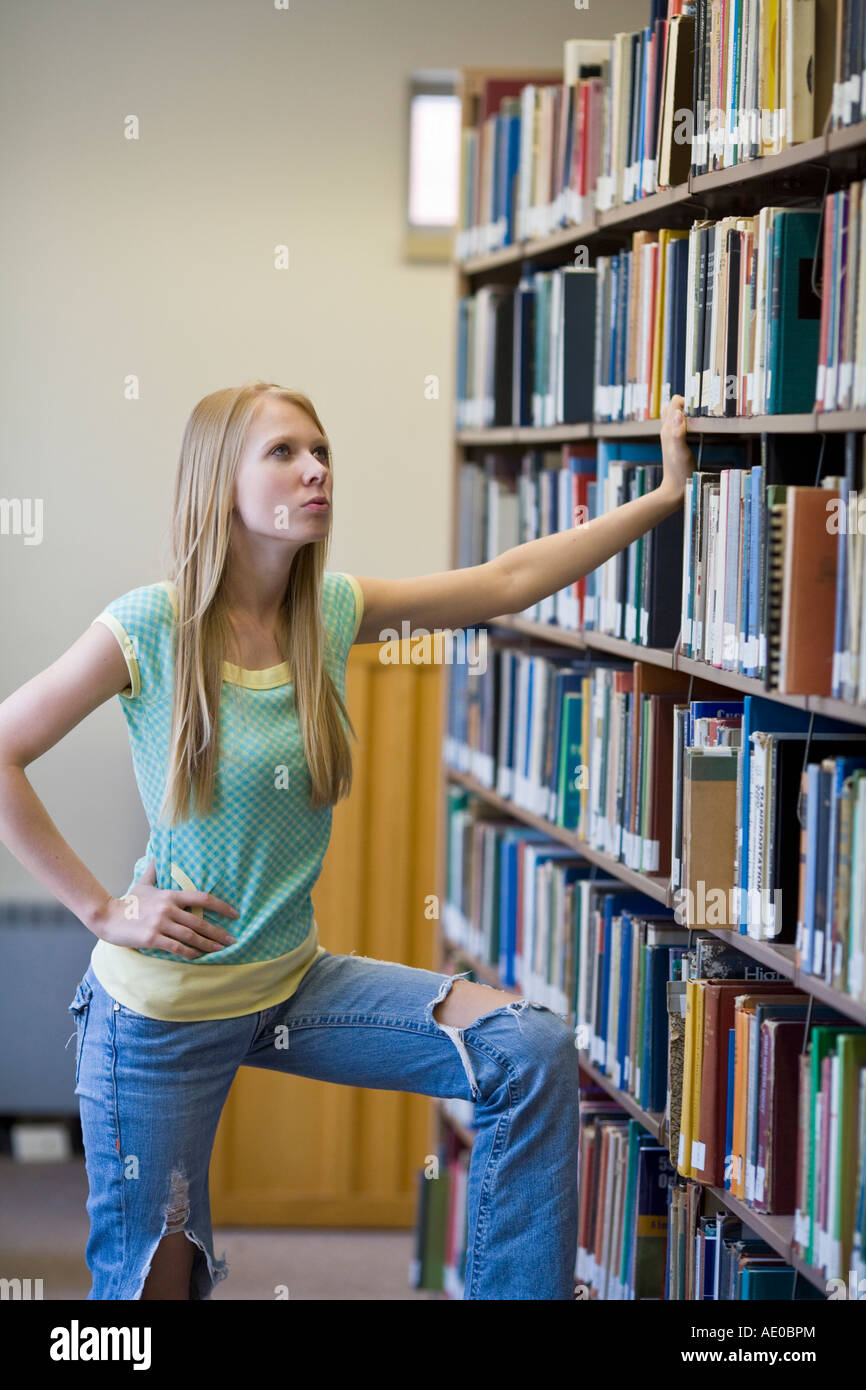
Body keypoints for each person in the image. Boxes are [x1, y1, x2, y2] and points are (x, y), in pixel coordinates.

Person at [0, 380, 695, 1300]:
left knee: (527, 1048)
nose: (316, 468)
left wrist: (666, 499)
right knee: (150, 1299)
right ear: (220, 481)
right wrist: (103, 908)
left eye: (321, 450)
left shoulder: (328, 611)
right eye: (284, 452)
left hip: (292, 983)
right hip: (159, 1018)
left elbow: (506, 581)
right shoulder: (150, 625)